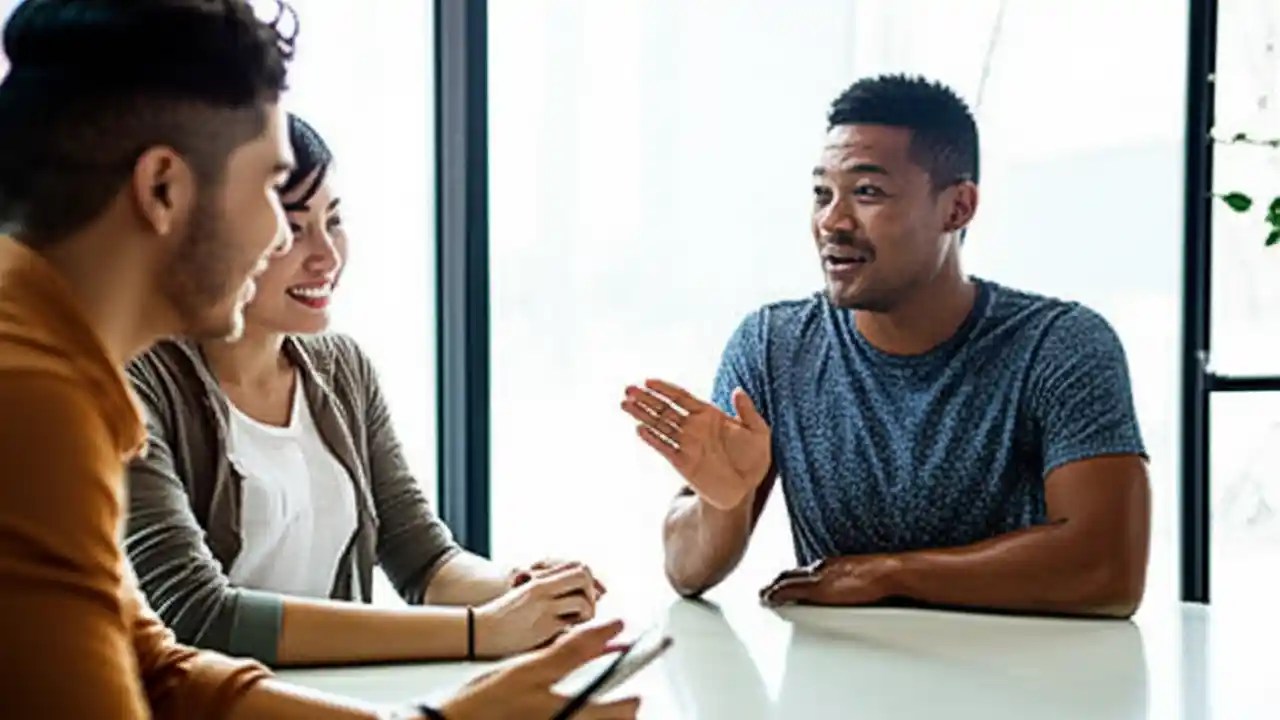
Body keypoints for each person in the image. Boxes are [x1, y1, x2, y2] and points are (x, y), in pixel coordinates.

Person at [0, 1, 637, 718]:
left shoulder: (57, 364)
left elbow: (160, 671)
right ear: (163, 190)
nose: (286, 238)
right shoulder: (31, 397)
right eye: (273, 190)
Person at [622, 74, 1150, 619]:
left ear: (958, 207)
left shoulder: (1059, 345)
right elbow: (687, 572)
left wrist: (887, 575)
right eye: (822, 193)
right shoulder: (773, 347)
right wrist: (724, 503)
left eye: (867, 192)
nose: (833, 221)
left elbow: (1108, 570)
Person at [126, 112, 605, 667]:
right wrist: (480, 631)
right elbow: (197, 614)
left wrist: (519, 588)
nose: (326, 256)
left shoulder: (342, 368)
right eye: (292, 228)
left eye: (334, 221)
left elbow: (424, 560)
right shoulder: (139, 384)